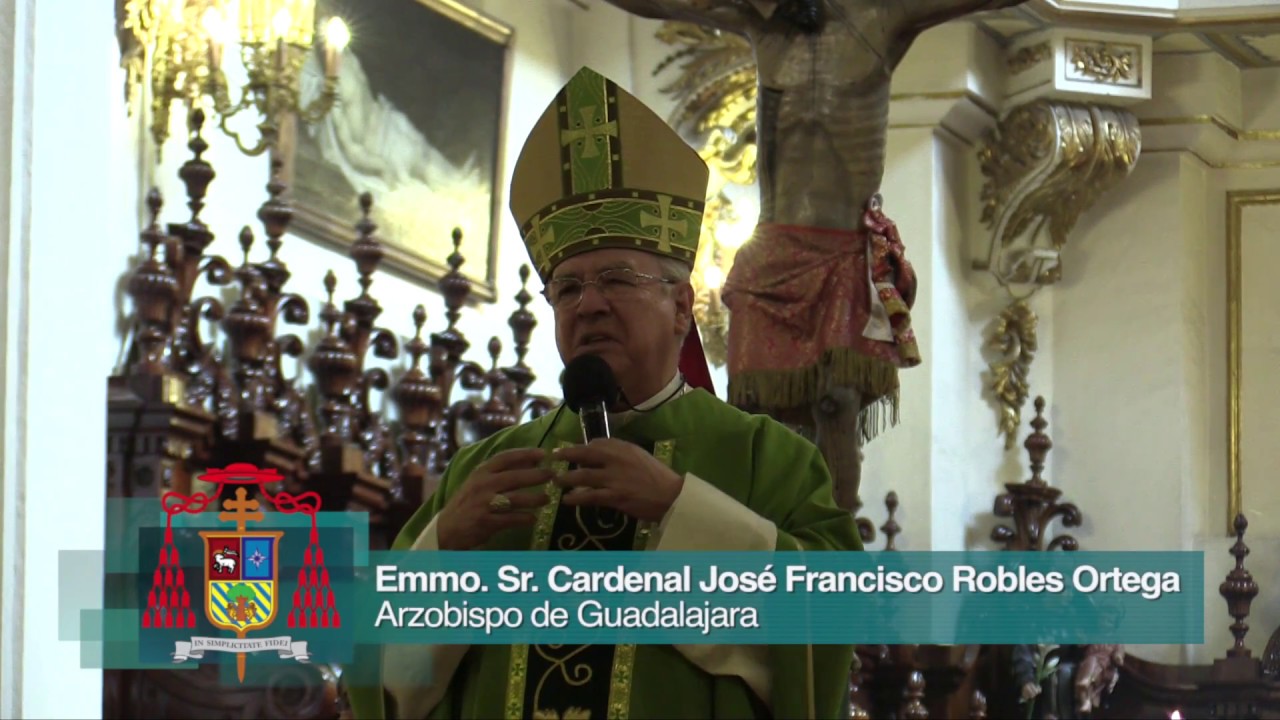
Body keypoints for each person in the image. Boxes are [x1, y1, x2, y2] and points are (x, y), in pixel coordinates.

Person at [344, 66, 861, 720]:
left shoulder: (766, 458)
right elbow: (384, 681)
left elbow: (828, 627)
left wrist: (679, 509)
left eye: (615, 279)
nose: (587, 305)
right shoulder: (485, 473)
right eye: (566, 288)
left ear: (680, 307)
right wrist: (444, 545)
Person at [601, 0, 1028, 512]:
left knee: (837, 402)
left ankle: (834, 548)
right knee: (752, 409)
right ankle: (754, 540)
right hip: (772, 252)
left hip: (841, 252)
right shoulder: (762, 22)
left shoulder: (881, 18)